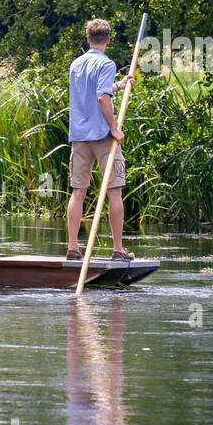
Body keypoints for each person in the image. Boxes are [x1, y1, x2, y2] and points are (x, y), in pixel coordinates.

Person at [66, 18, 134, 262]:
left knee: (78, 192)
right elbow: (101, 99)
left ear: (88, 38)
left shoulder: (76, 64)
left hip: (79, 137)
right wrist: (114, 128)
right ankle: (118, 249)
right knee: (114, 191)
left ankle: (73, 248)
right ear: (108, 39)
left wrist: (120, 85)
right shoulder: (107, 63)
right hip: (103, 137)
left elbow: (94, 90)